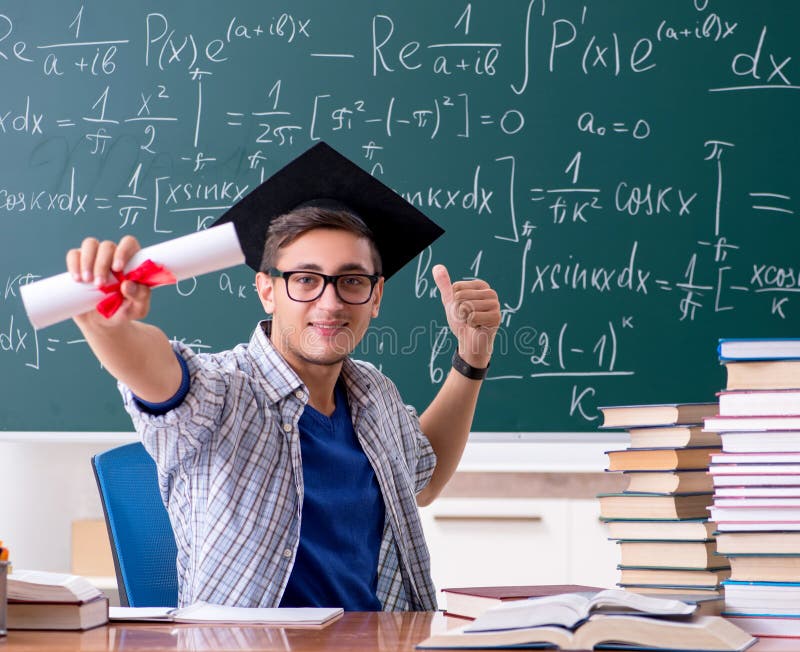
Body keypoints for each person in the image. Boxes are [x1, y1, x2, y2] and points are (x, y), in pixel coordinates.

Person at [67, 143, 501, 611]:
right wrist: (111, 327)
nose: (330, 302)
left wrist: (471, 357)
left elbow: (426, 477)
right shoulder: (225, 392)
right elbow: (156, 371)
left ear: (376, 297)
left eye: (351, 280)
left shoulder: (374, 394)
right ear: (267, 290)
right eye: (305, 279)